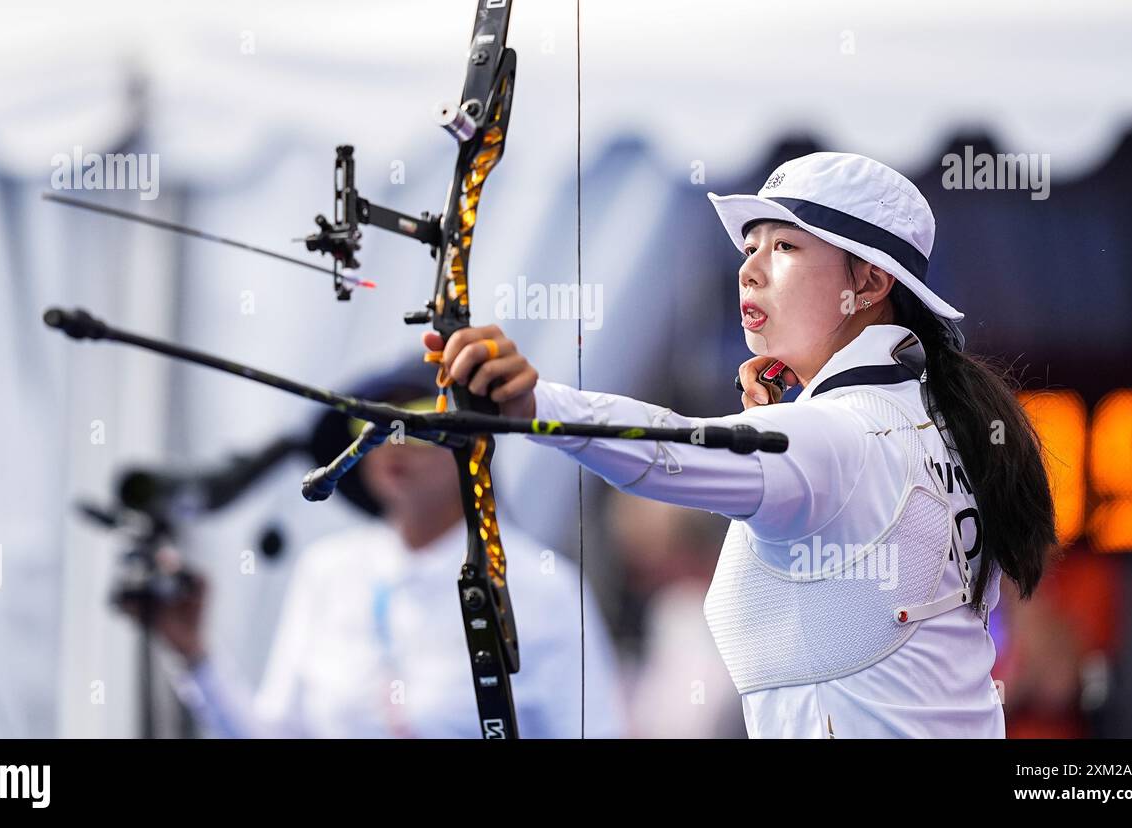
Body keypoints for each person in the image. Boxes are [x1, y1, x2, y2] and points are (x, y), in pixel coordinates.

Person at [423, 151, 1058, 738]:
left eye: (784, 247)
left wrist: (538, 406)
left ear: (867, 284)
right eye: (749, 246)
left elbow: (671, 450)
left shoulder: (840, 433)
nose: (750, 270)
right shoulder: (932, 418)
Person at [128, 374, 623, 739]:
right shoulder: (327, 572)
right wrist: (193, 655)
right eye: (369, 423)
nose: (390, 440)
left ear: (473, 440)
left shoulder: (543, 586)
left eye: (415, 418)